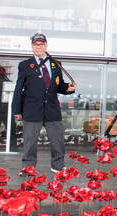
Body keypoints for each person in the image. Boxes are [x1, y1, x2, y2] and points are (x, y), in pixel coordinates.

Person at [11, 32, 75, 176]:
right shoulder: (25, 65)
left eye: (41, 44)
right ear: (32, 47)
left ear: (46, 45)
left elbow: (59, 86)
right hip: (32, 109)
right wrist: (16, 109)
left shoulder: (55, 64)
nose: (38, 47)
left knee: (58, 141)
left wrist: (68, 89)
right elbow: (18, 88)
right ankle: (28, 167)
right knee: (30, 142)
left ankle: (58, 166)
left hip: (52, 110)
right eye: (35, 44)